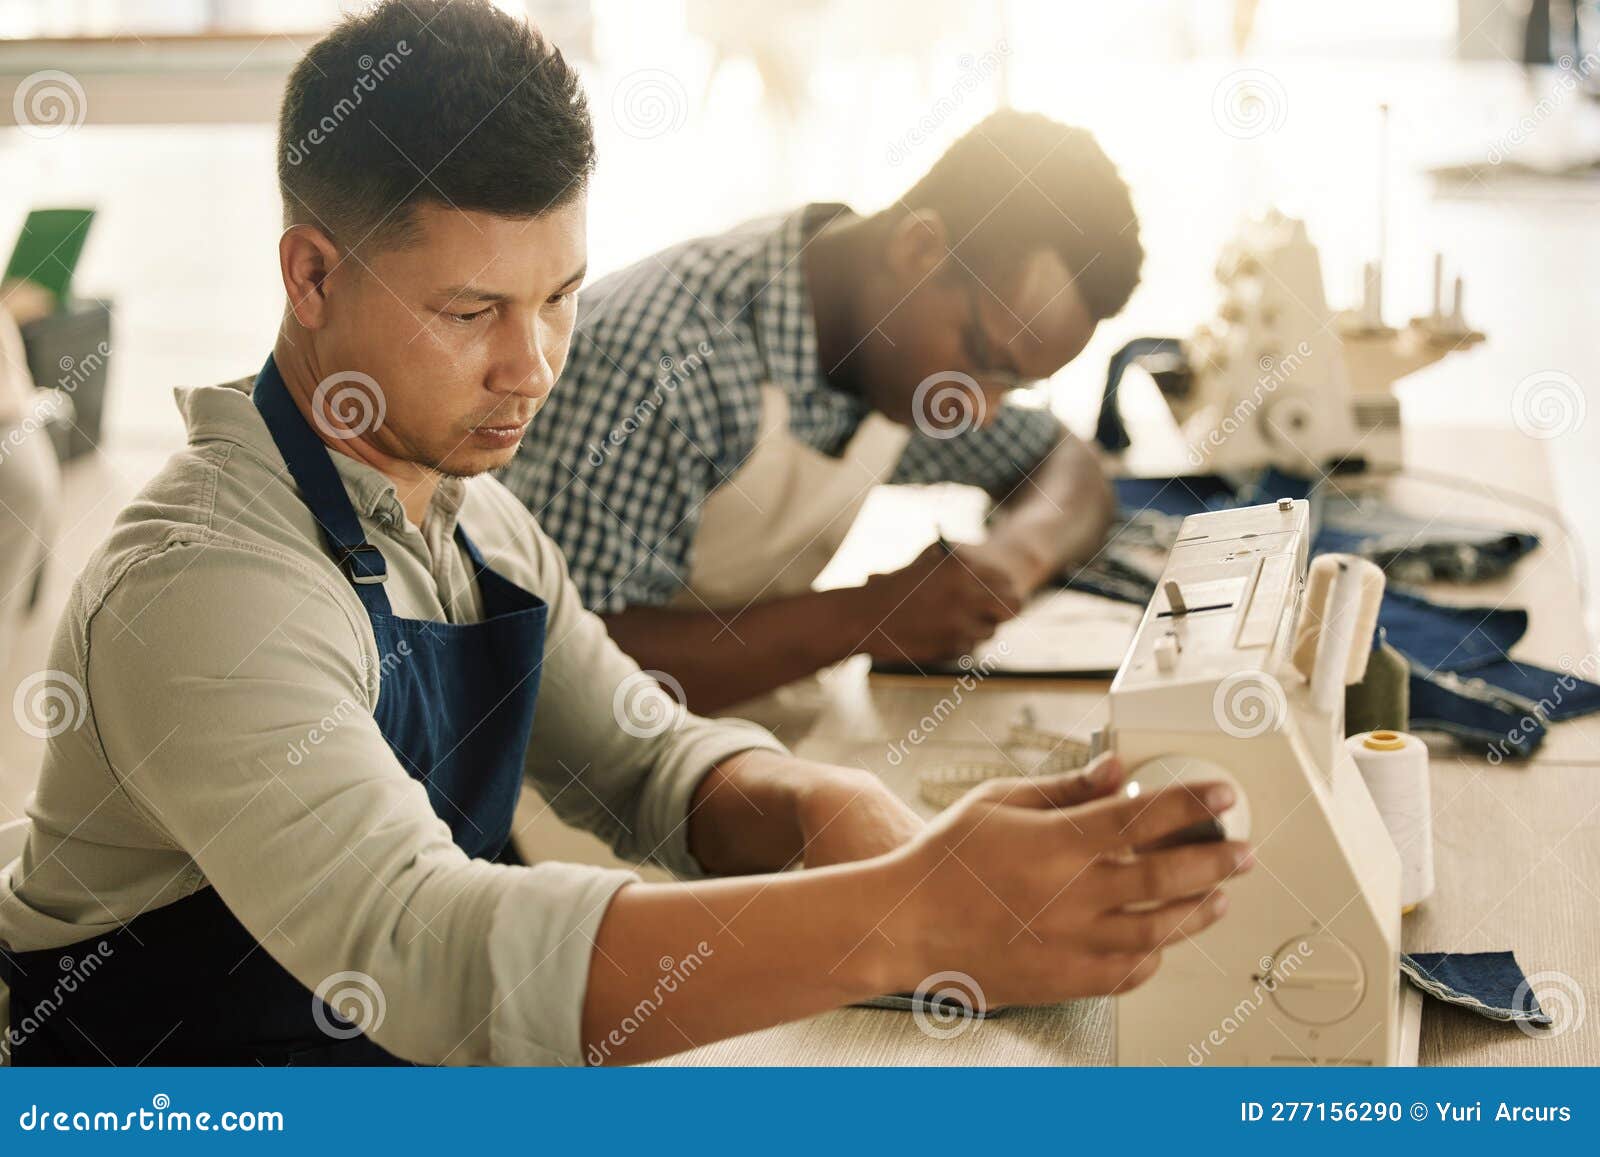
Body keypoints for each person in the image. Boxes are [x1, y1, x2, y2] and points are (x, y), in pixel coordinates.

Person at [0, 0, 1245, 1068]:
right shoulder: (207, 584)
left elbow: (652, 763)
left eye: (559, 297)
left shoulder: (479, 528)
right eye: (473, 309)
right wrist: (909, 912)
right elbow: (424, 947)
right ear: (311, 276)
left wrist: (823, 809)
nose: (531, 367)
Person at [500, 109, 1141, 731]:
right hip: (567, 799)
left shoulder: (886, 354)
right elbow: (546, 660)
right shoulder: (673, 361)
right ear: (920, 247)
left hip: (727, 744)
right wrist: (867, 618)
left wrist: (1008, 561)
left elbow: (1067, 463)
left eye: (1018, 386)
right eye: (987, 363)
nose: (986, 410)